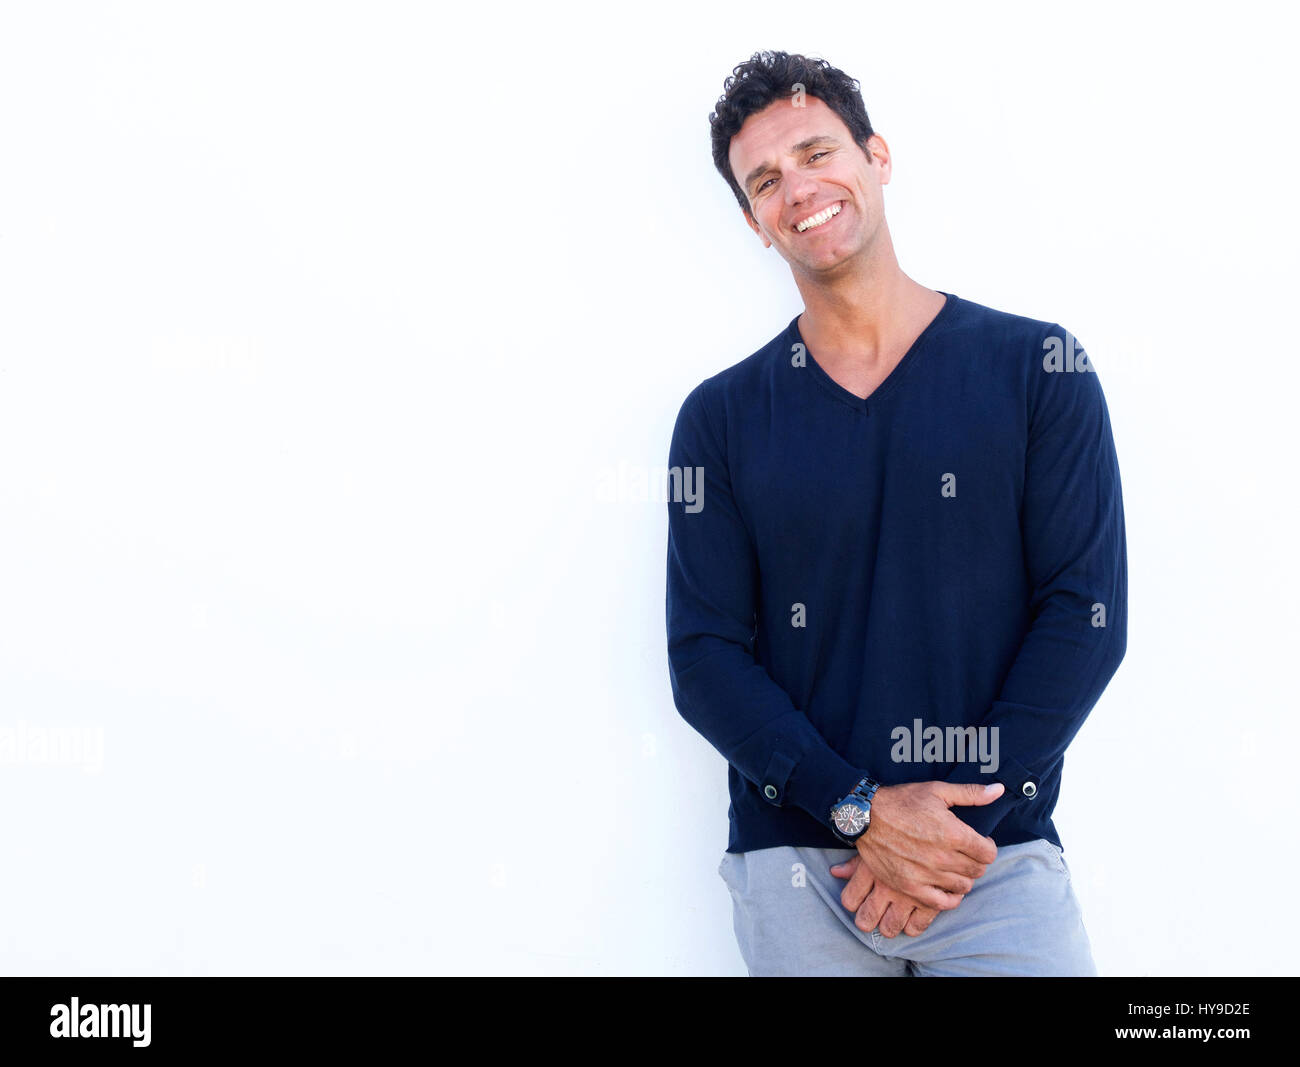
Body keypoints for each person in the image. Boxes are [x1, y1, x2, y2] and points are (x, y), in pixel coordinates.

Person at [664, 50, 1127, 977]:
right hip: (798, 870)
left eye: (816, 151)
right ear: (754, 222)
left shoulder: (1039, 370)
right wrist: (859, 811)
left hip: (991, 861)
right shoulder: (717, 418)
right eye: (766, 180)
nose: (799, 188)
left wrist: (949, 830)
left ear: (877, 155)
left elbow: (1084, 616)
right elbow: (705, 658)